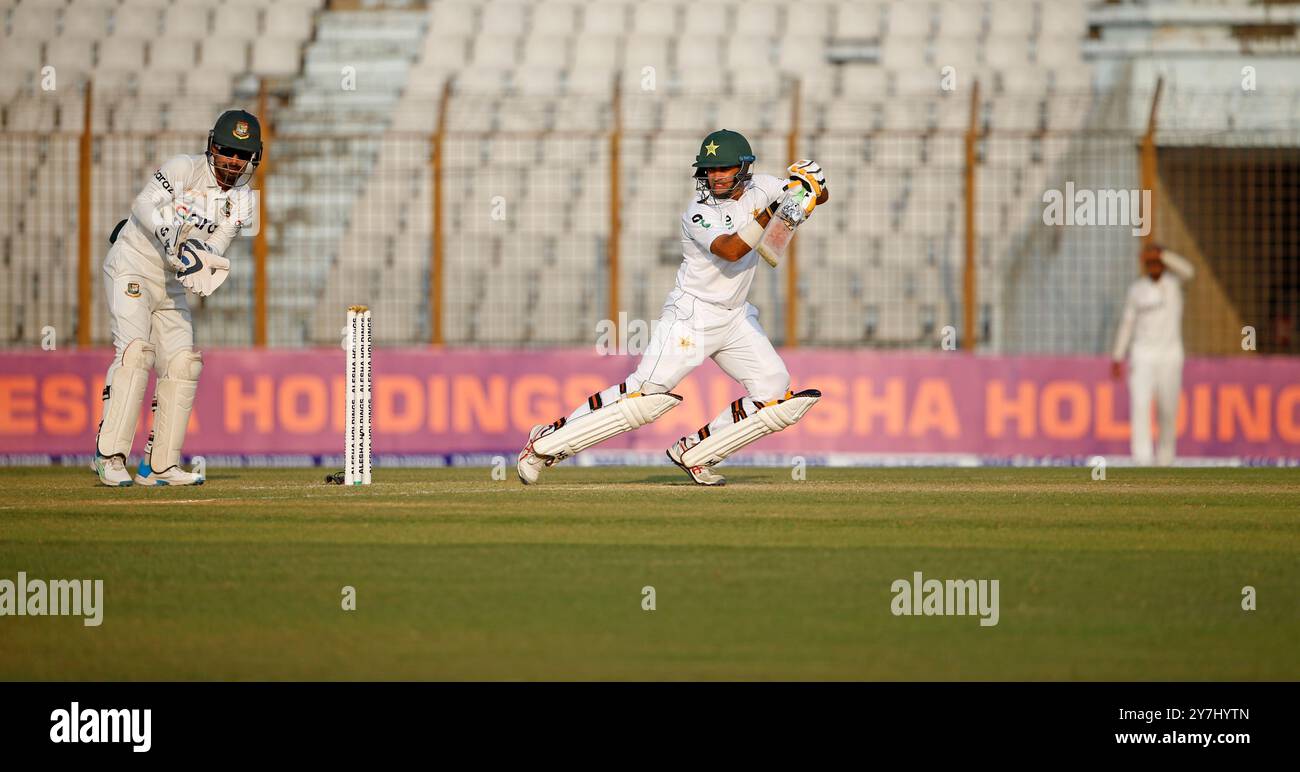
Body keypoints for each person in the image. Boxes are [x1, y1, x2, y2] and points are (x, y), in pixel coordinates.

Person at [517, 129, 829, 486]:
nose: (715, 176)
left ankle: (696, 451)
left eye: (724, 169)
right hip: (691, 316)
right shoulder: (697, 213)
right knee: (645, 396)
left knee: (775, 390)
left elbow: (808, 199)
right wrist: (776, 209)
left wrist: (810, 186)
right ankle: (543, 444)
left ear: (744, 168)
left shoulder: (764, 187)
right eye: (709, 170)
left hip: (736, 316)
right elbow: (730, 250)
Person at [92, 110, 260, 486]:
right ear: (212, 146)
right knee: (135, 353)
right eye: (227, 150)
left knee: (183, 364)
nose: (233, 160)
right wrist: (169, 232)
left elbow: (217, 243)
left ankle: (160, 465)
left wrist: (199, 260)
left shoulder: (245, 200)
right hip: (132, 263)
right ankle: (109, 456)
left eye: (242, 154)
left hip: (170, 282)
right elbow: (143, 205)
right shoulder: (183, 168)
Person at [1110, 243, 1196, 466]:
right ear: (1146, 265)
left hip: (1170, 356)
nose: (1155, 266)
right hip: (1142, 356)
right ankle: (1142, 459)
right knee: (1140, 406)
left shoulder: (1174, 285)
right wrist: (1118, 355)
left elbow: (1189, 271)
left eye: (1158, 262)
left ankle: (1166, 460)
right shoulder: (1137, 289)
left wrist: (1164, 254)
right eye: (1151, 262)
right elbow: (1127, 324)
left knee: (1168, 410)